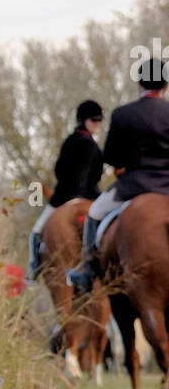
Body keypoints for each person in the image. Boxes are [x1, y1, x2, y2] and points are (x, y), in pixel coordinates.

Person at [68, 56, 169, 293]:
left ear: (140, 84)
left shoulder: (123, 114)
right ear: (165, 85)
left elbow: (112, 156)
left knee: (93, 214)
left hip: (133, 185)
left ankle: (86, 273)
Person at [25, 100, 103, 282]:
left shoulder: (70, 141)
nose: (97, 124)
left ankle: (34, 266)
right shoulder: (93, 146)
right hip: (90, 196)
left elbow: (59, 170)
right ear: (83, 120)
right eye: (94, 120)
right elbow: (93, 176)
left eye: (99, 120)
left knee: (36, 231)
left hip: (62, 196)